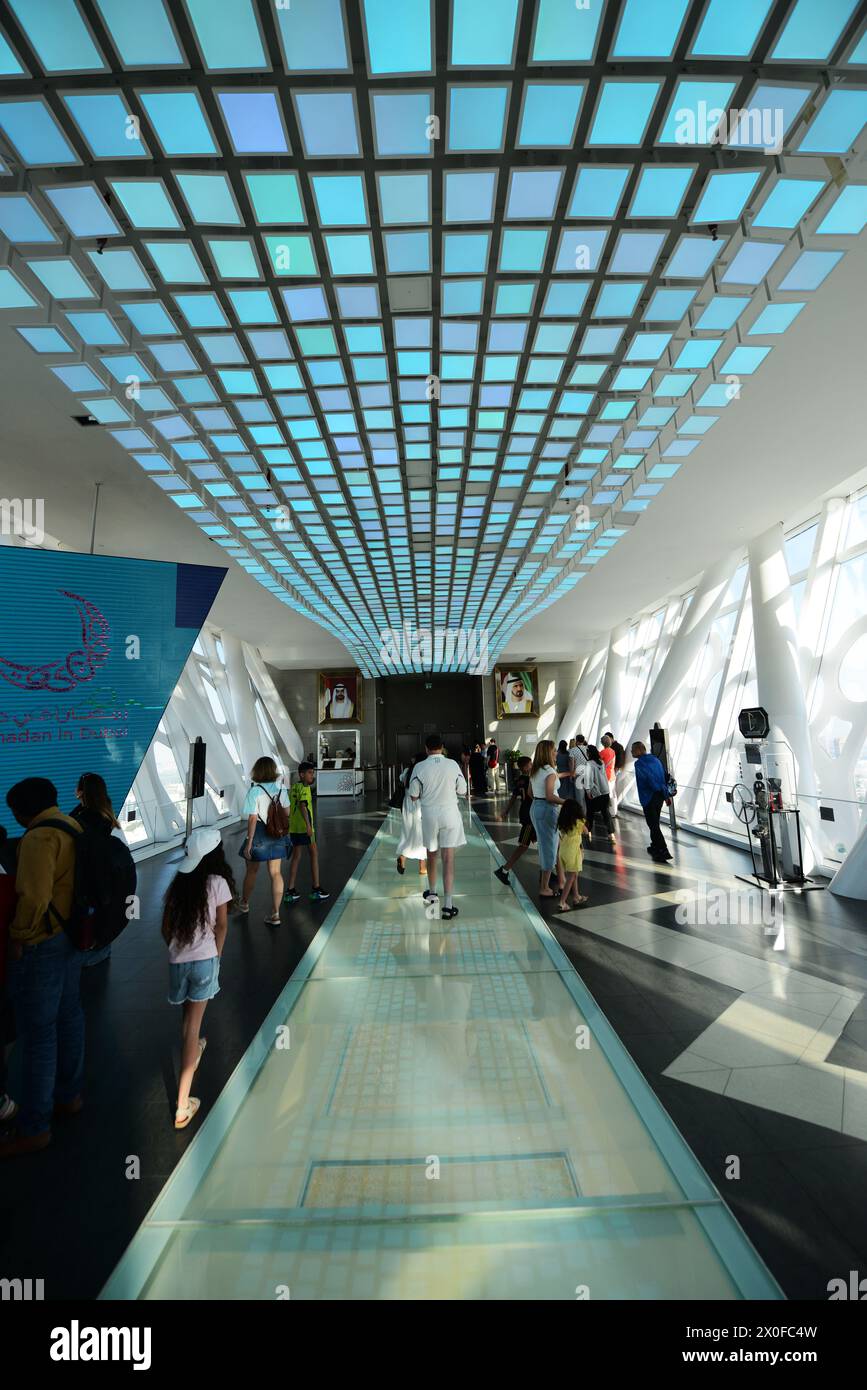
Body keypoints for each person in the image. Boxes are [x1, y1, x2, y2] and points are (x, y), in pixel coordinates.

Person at [0, 778, 84, 1158]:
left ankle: (35, 1126)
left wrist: (18, 936)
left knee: (38, 1035)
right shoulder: (72, 826)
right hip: (70, 936)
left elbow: (33, 896)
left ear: (22, 809)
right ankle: (69, 1096)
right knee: (69, 1018)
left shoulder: (37, 838)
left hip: (42, 942)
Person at [162, 827, 234, 1130]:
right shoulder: (217, 882)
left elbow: (165, 927)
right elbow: (221, 926)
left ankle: (196, 1045)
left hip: (178, 961)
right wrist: (216, 956)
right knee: (193, 1028)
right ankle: (183, 1105)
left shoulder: (179, 883)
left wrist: (177, 949)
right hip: (205, 960)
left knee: (188, 1021)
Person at [410, 732, 467, 921]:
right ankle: (448, 905)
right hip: (450, 814)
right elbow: (462, 790)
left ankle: (433, 894)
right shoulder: (452, 764)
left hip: (429, 815)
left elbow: (413, 794)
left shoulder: (419, 767)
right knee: (448, 858)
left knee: (432, 856)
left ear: (426, 749)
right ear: (442, 747)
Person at [70, 772, 121, 967]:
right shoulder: (104, 814)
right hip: (102, 874)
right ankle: (99, 948)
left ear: (81, 792)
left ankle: (86, 951)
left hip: (87, 874)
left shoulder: (84, 817)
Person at [239, 756, 291, 925]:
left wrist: (249, 842)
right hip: (277, 833)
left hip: (260, 833)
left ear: (257, 770)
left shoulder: (255, 791)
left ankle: (244, 903)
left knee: (251, 871)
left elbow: (252, 819)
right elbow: (287, 812)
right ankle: (275, 913)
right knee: (276, 873)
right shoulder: (282, 788)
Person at [284, 762, 329, 905]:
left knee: (296, 857)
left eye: (313, 772)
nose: (312, 775)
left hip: (295, 828)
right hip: (305, 828)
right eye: (309, 773)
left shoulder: (294, 788)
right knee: (314, 854)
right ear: (301, 774)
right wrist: (309, 826)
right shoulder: (304, 788)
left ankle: (290, 890)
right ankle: (316, 888)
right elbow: (303, 807)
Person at [529, 740, 565, 900]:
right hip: (547, 809)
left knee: (549, 845)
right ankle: (544, 887)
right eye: (554, 750)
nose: (556, 753)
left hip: (536, 807)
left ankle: (559, 880)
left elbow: (530, 793)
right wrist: (566, 802)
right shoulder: (549, 771)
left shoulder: (536, 770)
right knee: (549, 847)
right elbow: (550, 796)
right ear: (548, 753)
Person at [494, 755, 535, 887]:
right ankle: (505, 869)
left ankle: (548, 870)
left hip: (526, 813)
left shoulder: (520, 780)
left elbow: (513, 797)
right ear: (525, 767)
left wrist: (506, 811)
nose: (532, 765)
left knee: (543, 842)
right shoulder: (531, 780)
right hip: (530, 815)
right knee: (523, 844)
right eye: (530, 764)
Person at [632, 741, 673, 863]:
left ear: (639, 750)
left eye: (633, 750)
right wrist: (665, 795)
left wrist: (655, 788)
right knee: (654, 822)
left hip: (648, 797)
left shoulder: (639, 764)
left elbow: (648, 779)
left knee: (653, 824)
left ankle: (663, 850)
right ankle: (654, 845)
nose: (631, 752)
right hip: (659, 796)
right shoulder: (656, 760)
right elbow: (663, 776)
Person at [396, 754, 427, 879]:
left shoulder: (407, 771)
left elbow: (401, 780)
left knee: (408, 832)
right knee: (421, 835)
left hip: (406, 805)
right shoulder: (422, 771)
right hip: (419, 805)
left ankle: (403, 856)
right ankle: (422, 867)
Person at [556, 799, 589, 912]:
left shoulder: (562, 822)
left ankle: (576, 897)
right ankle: (562, 902)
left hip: (563, 852)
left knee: (573, 874)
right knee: (571, 877)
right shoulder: (579, 822)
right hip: (573, 853)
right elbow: (585, 831)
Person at [585, 745, 616, 844]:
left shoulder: (589, 764)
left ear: (589, 753)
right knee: (606, 813)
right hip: (605, 791)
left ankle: (588, 832)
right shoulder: (601, 762)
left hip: (595, 792)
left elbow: (588, 779)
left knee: (590, 812)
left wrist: (588, 791)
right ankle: (611, 834)